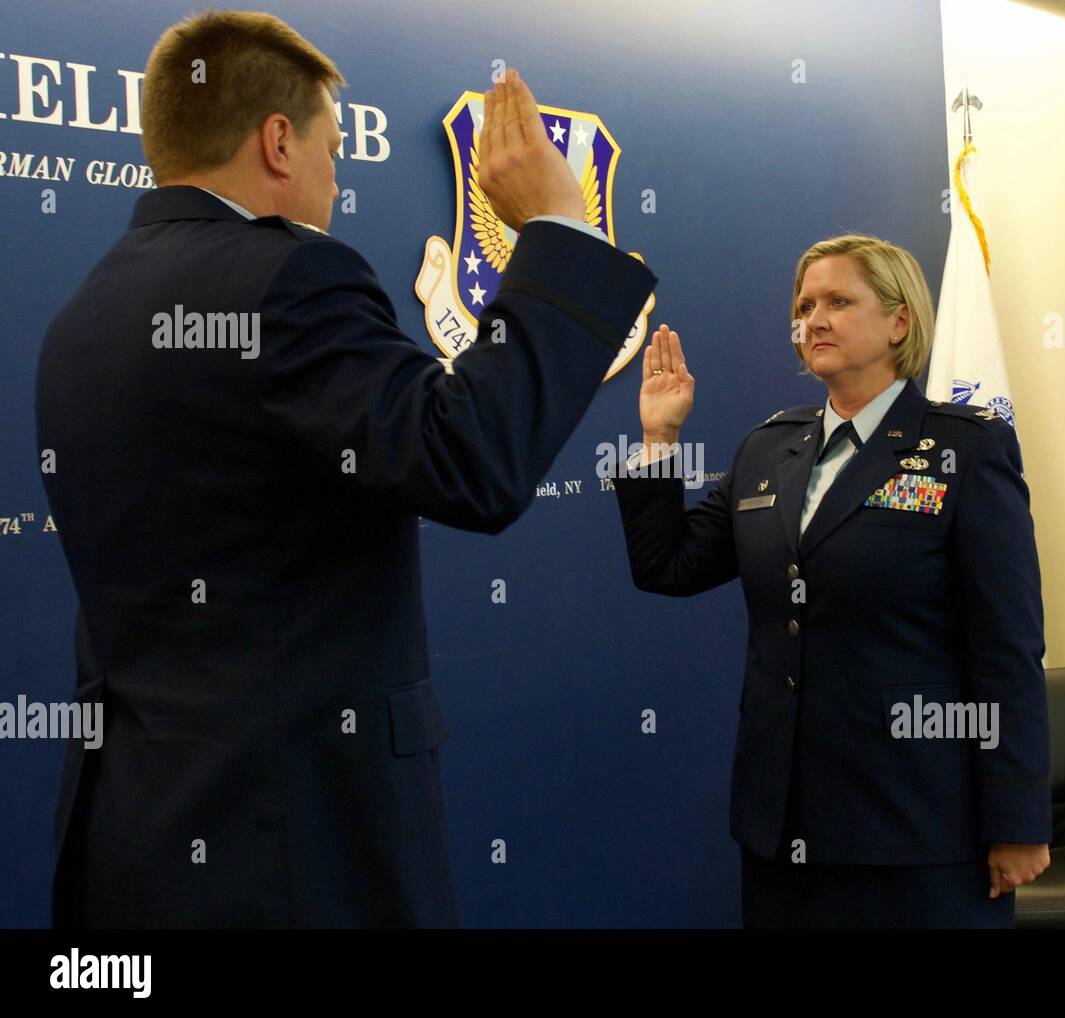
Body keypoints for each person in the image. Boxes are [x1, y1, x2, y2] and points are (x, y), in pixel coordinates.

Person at [36, 11, 656, 927]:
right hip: (292, 847)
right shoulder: (289, 278)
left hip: (135, 838)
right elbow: (470, 460)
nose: (336, 175)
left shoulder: (82, 315)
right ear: (278, 142)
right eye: (334, 148)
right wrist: (561, 231)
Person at [611, 235, 1049, 928]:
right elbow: (667, 568)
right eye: (804, 304)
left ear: (899, 322)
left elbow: (1009, 650)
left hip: (917, 827)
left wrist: (1019, 817)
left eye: (839, 302)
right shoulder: (768, 448)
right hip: (784, 826)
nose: (812, 318)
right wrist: (660, 441)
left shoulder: (966, 449)